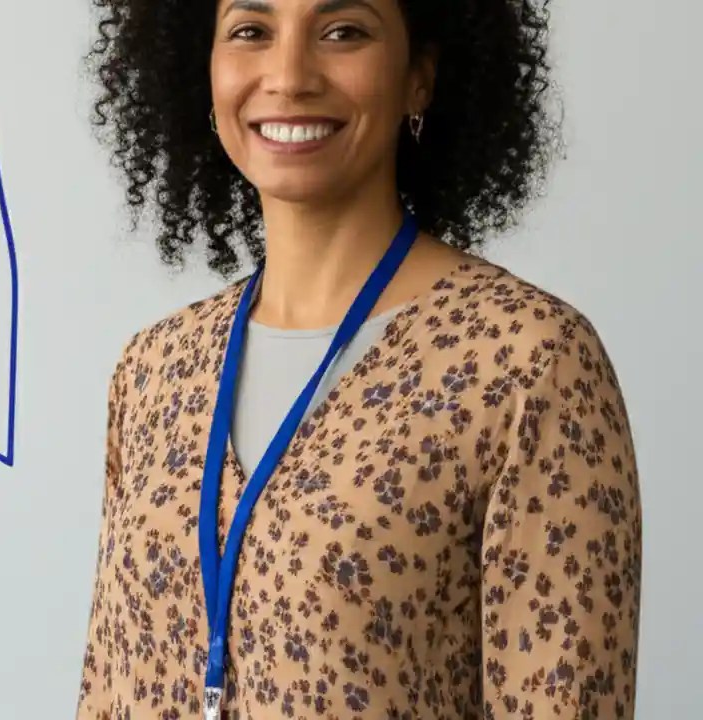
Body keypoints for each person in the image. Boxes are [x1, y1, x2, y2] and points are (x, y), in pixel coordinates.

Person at [74, 0, 642, 718]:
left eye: (344, 32)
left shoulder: (527, 362)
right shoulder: (156, 367)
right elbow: (106, 690)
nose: (289, 75)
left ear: (419, 79)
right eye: (251, 31)